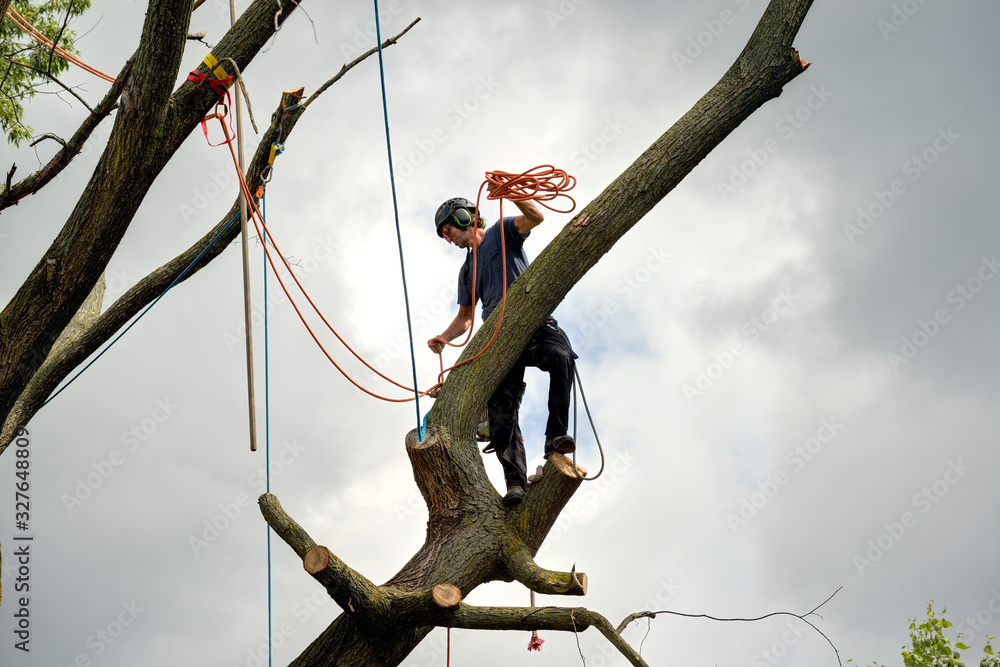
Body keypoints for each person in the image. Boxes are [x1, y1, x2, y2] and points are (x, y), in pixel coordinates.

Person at [428, 192, 577, 507]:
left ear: (463, 217)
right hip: (498, 337)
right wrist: (444, 337)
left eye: (447, 229)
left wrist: (514, 194)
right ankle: (515, 483)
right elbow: (466, 318)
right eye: (443, 235)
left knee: (560, 358)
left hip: (533, 321)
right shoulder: (467, 271)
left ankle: (555, 437)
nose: (448, 238)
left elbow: (535, 217)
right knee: (501, 412)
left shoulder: (502, 231)